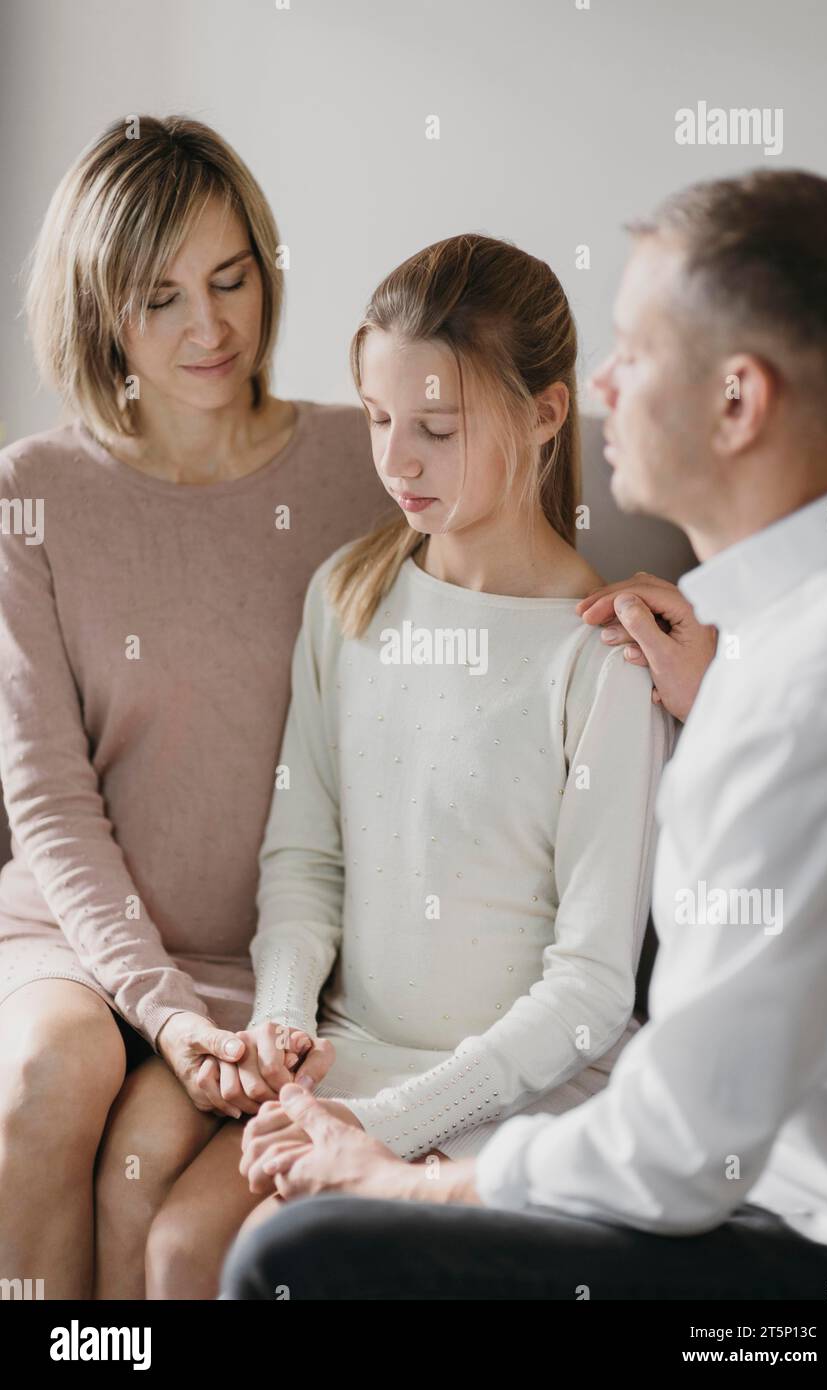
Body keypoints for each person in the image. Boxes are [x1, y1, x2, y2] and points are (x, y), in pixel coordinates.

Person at [223, 168, 827, 1300]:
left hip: (806, 1248)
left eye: (636, 350)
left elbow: (672, 1148)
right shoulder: (768, 656)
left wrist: (394, 1176)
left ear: (738, 400)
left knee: (292, 1258)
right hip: (753, 1197)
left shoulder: (800, 692)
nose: (603, 382)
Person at [145, 232, 675, 1298]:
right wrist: (286, 1025)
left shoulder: (601, 661)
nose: (396, 462)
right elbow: (306, 860)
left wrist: (379, 1131)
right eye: (381, 421)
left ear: (544, 415)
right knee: (176, 1251)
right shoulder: (348, 596)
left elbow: (591, 988)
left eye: (435, 428)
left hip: (515, 1095)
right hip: (348, 1063)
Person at [0, 114, 390, 1299]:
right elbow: (49, 801)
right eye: (160, 298)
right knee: (42, 1083)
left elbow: (512, 516)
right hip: (77, 932)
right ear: (97, 308)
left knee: (140, 1193)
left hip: (269, 954)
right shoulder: (33, 492)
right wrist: (158, 1010)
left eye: (233, 281)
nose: (212, 327)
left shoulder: (356, 464)